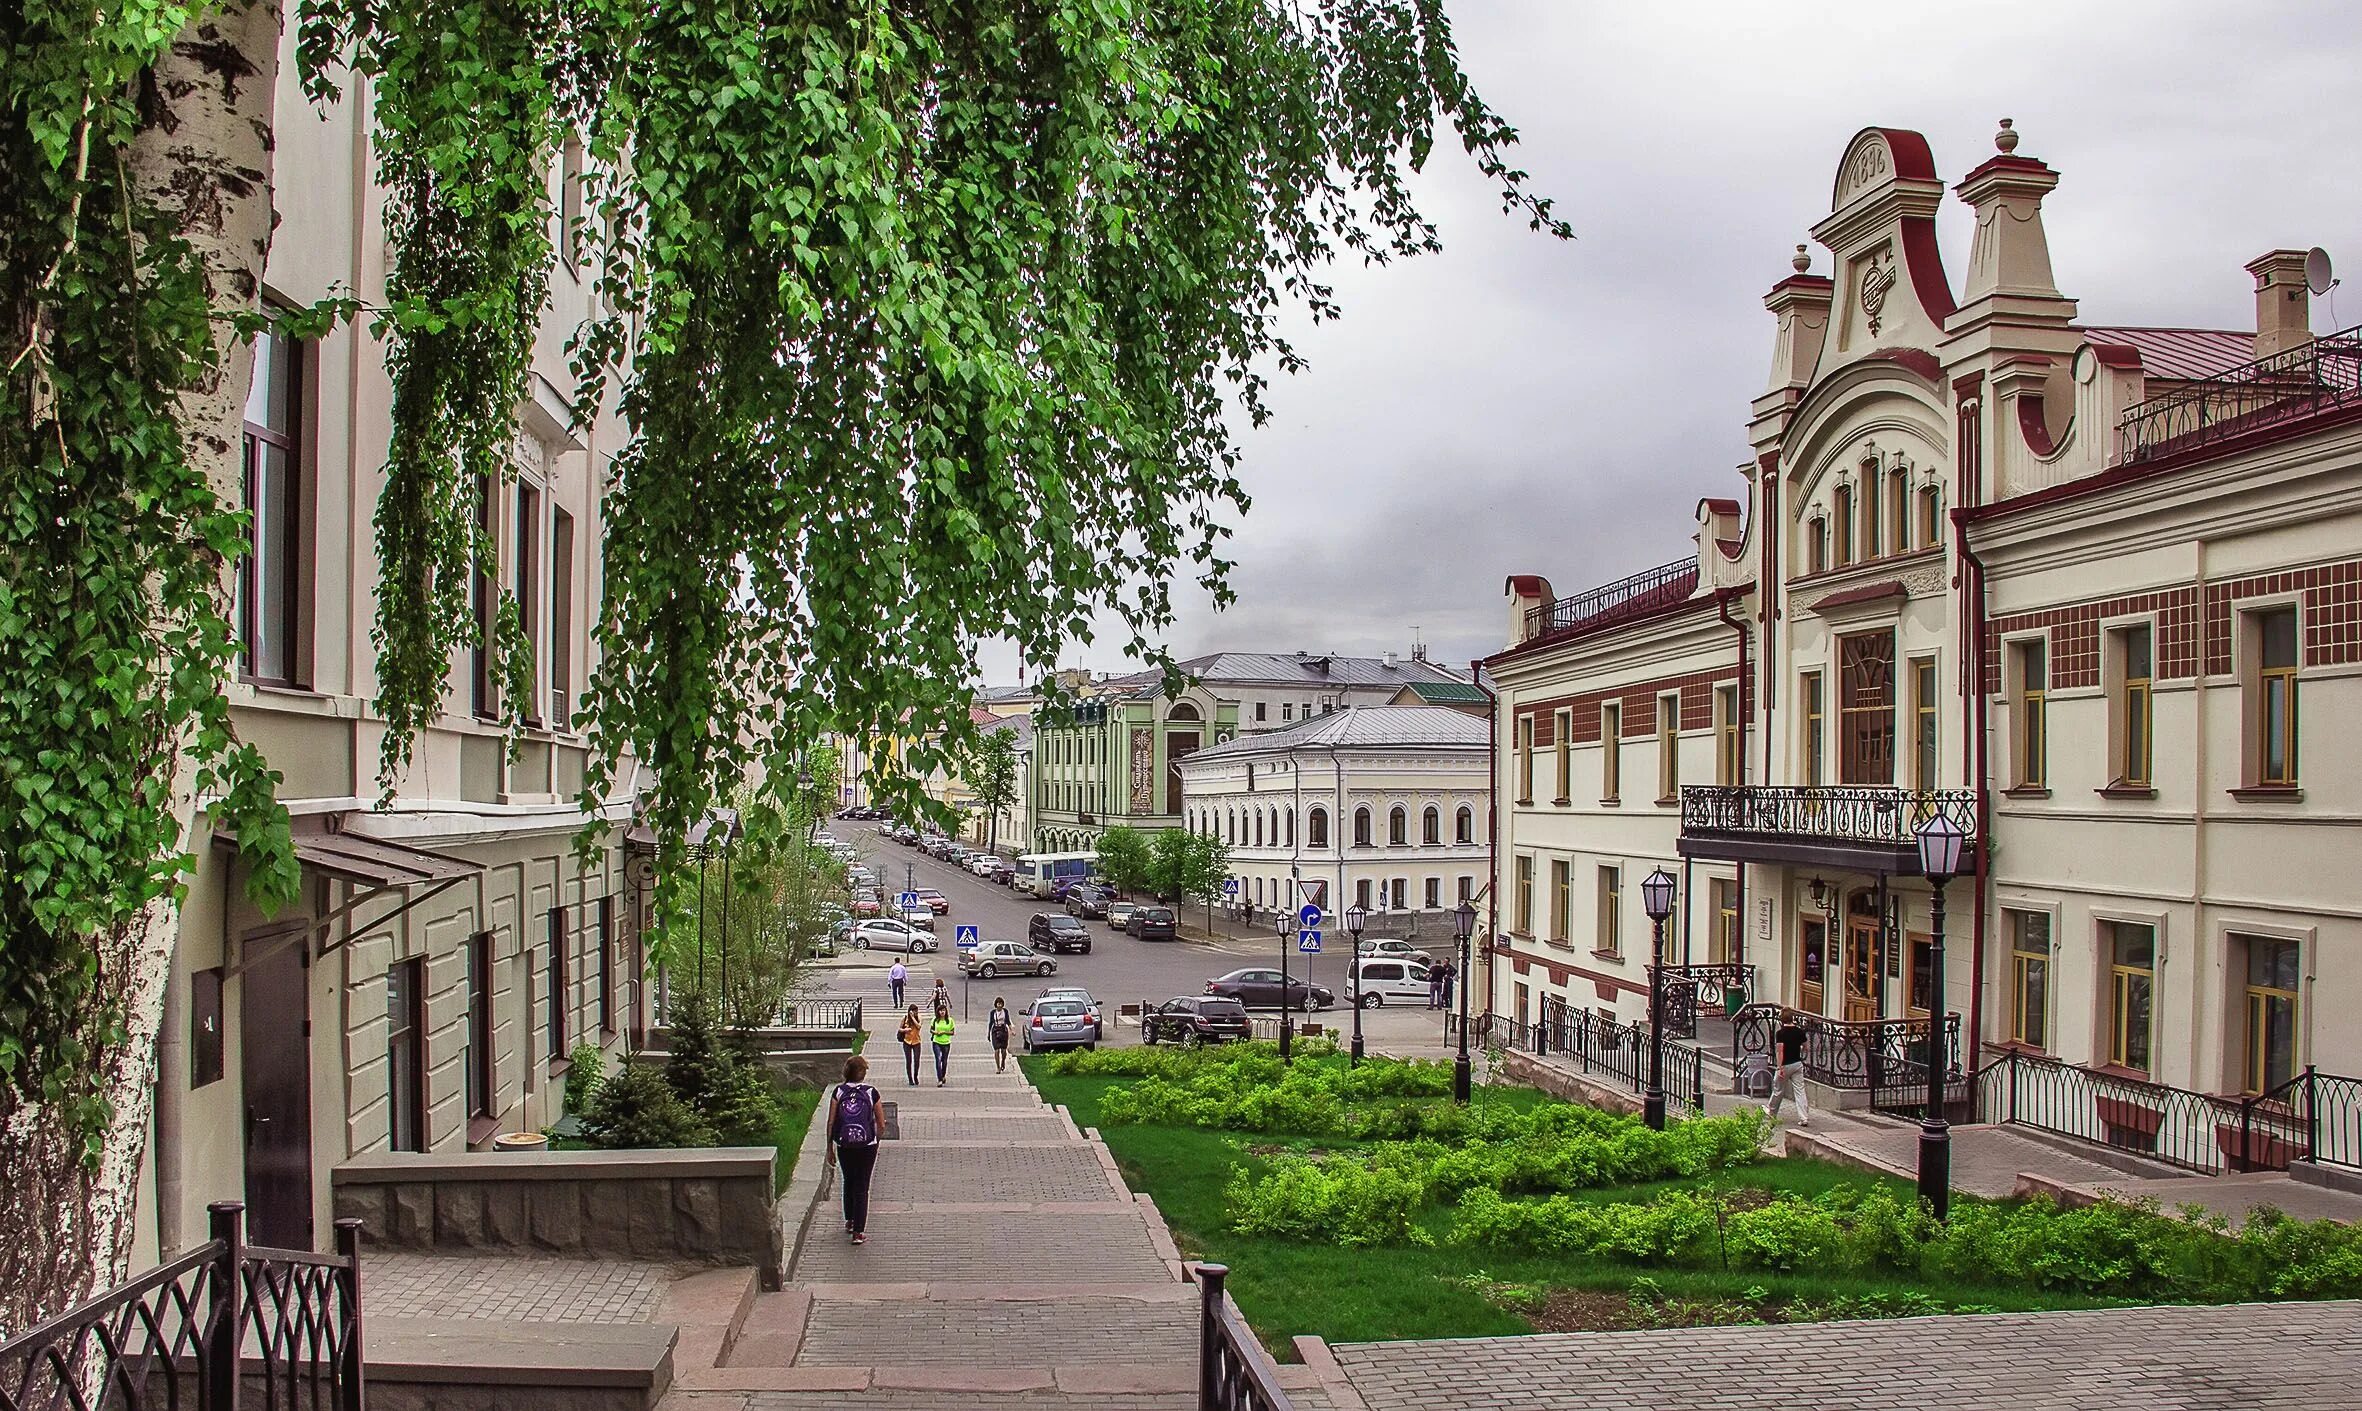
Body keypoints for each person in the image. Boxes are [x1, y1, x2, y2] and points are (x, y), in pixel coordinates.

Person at [822, 1055, 882, 1244]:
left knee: (848, 1180)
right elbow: (881, 1122)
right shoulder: (871, 1092)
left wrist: (829, 1147)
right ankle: (858, 1232)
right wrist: (876, 1139)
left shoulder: (838, 1092)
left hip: (845, 1144)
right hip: (867, 1145)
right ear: (862, 1073)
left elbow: (831, 1121)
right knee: (862, 1186)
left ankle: (849, 1220)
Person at [1766, 1014, 1810, 1128]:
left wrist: (1780, 1067)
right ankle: (1804, 1118)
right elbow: (1806, 1047)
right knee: (1800, 1091)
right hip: (1797, 1064)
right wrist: (1800, 1048)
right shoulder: (1799, 1031)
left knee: (1778, 1090)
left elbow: (1780, 1051)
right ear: (1792, 1019)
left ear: (1781, 1020)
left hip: (1785, 1065)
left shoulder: (1781, 1033)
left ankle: (1771, 1112)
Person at [897, 1004, 924, 1086]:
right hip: (907, 1042)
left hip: (916, 1041)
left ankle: (915, 1076)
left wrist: (913, 1017)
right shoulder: (905, 1018)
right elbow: (899, 1028)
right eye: (914, 1011)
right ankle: (910, 1078)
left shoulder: (919, 1017)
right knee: (908, 1061)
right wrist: (905, 1030)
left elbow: (919, 1026)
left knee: (916, 1060)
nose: (916, 1012)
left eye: (916, 1011)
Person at [930, 1002, 955, 1086]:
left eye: (943, 1010)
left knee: (944, 1061)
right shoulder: (935, 1020)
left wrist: (944, 1032)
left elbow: (952, 1032)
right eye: (940, 1011)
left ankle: (943, 1075)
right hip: (936, 1041)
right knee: (938, 1059)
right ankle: (939, 1079)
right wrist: (936, 1032)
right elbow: (931, 1030)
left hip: (946, 1042)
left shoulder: (950, 1020)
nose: (942, 1012)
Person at [988, 997, 1014, 1073]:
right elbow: (990, 1023)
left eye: (1001, 1004)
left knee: (1003, 1050)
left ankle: (1003, 1061)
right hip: (995, 1031)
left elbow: (1008, 1021)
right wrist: (988, 1033)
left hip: (1003, 1030)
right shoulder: (993, 1012)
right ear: (996, 1004)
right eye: (998, 1003)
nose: (999, 1005)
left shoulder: (1005, 1011)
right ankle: (998, 1067)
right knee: (996, 1050)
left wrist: (1012, 1030)